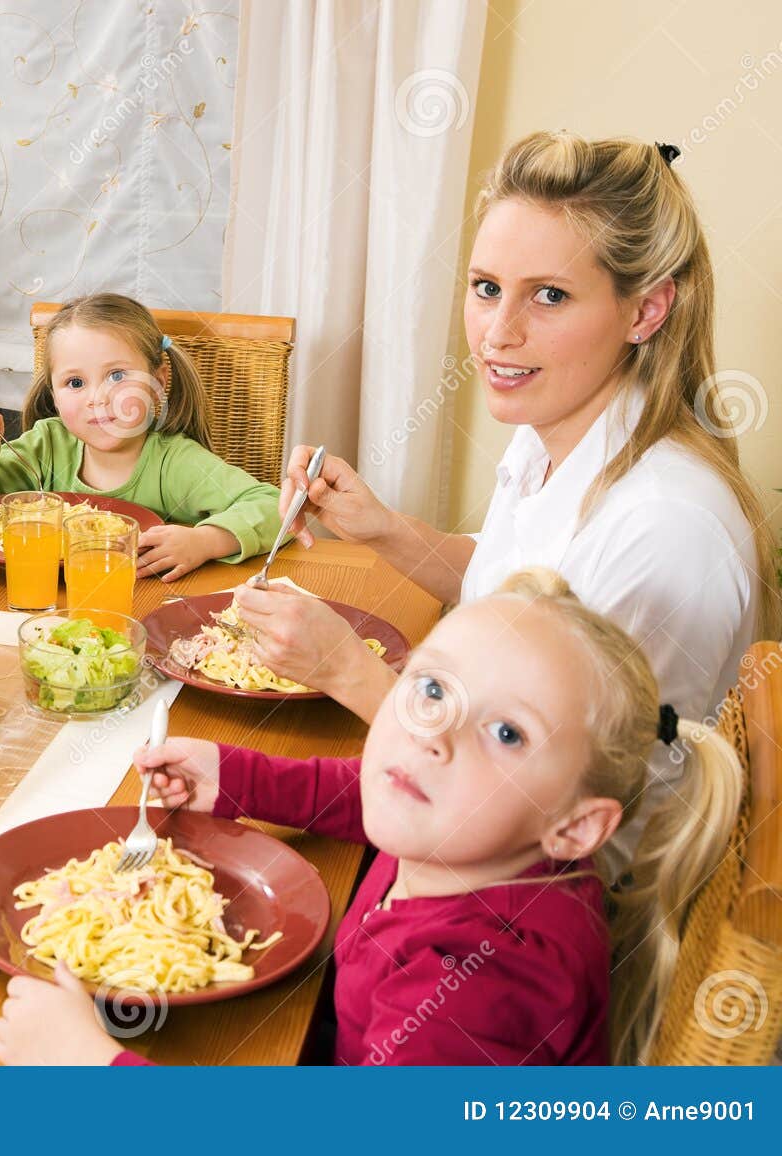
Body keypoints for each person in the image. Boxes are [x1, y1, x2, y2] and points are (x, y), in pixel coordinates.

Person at [227, 133, 775, 863]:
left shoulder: (665, 530)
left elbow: (557, 812)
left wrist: (346, 671)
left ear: (646, 311)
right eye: (486, 287)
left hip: (558, 905)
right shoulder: (558, 417)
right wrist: (384, 530)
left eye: (549, 295)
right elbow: (520, 593)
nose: (498, 334)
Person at [0, 569, 743, 1066]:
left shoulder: (477, 988)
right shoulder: (478, 839)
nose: (431, 735)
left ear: (576, 827)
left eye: (507, 733)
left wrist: (91, 1067)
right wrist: (239, 776)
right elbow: (375, 790)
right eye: (432, 690)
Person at [0, 293, 282, 581]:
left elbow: (275, 507)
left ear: (158, 382)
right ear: (54, 396)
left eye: (117, 375)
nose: (97, 398)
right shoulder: (45, 445)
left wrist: (204, 541)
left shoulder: (175, 463)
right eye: (75, 383)